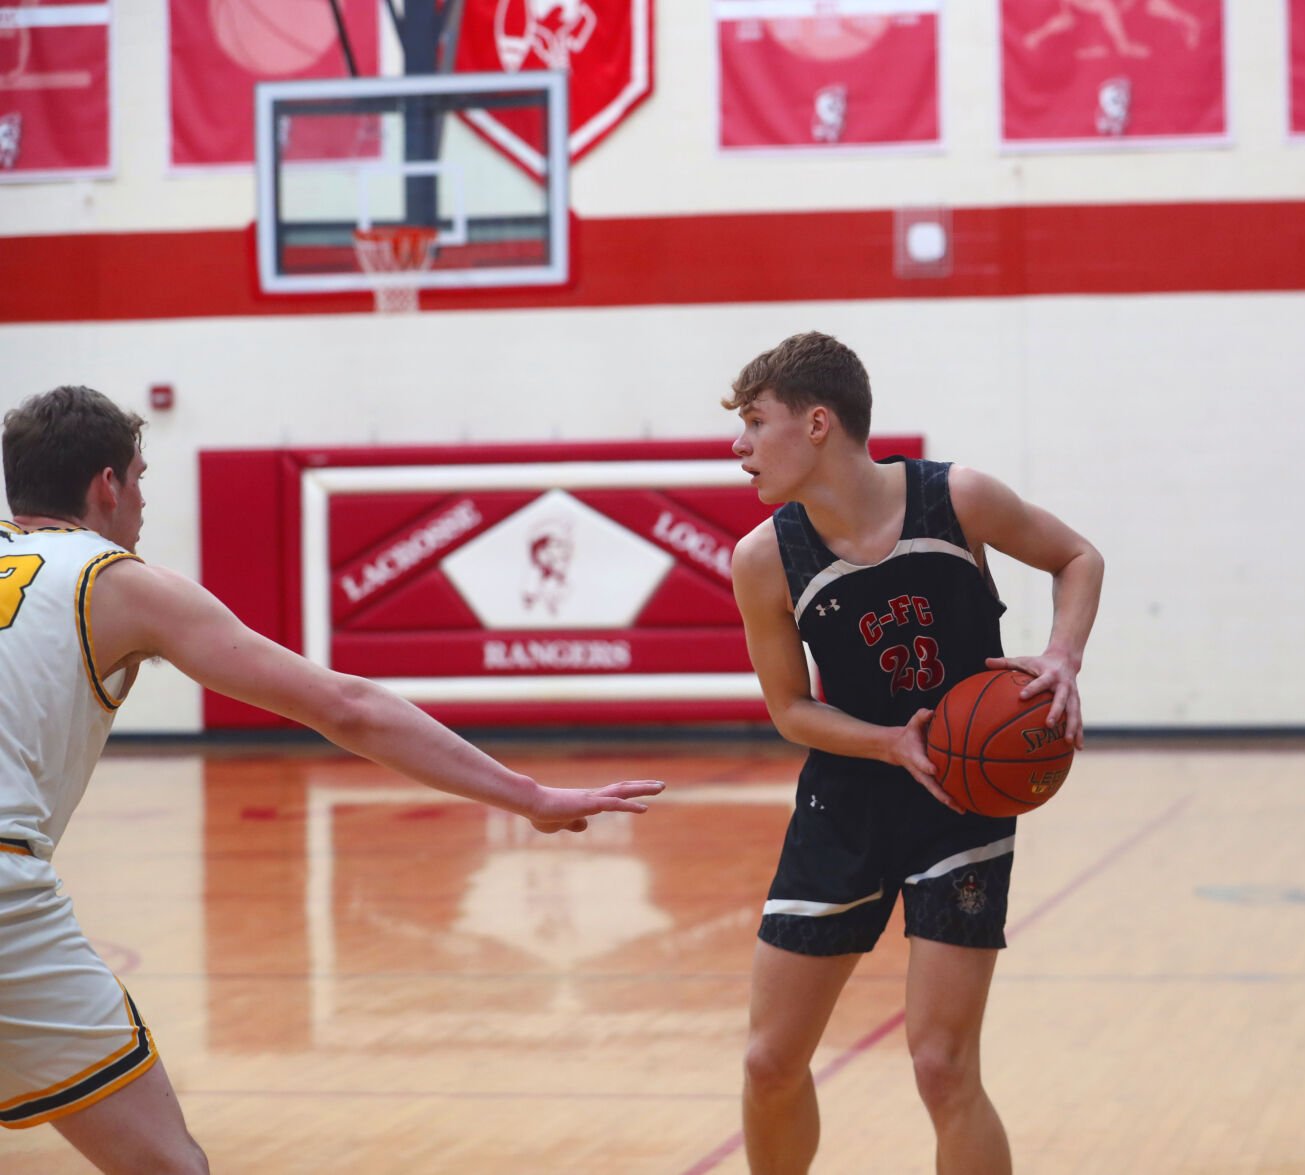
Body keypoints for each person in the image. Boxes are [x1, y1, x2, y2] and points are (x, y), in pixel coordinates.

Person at [0, 386, 665, 1173]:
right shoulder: (115, 580)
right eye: (140, 478)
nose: (143, 501)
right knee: (170, 1166)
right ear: (106, 484)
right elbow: (348, 707)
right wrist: (528, 796)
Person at [722, 332, 1103, 1173]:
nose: (738, 447)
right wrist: (887, 742)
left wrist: (1061, 657)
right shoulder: (762, 559)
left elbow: (1077, 557)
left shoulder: (956, 499)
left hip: (961, 803)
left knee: (940, 1065)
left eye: (754, 422)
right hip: (845, 801)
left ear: (817, 422)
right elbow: (789, 709)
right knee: (768, 1062)